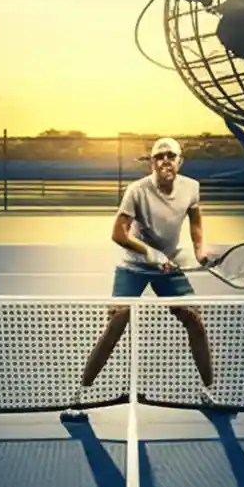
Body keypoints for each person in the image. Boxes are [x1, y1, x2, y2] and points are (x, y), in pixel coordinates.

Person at [64, 137, 217, 416]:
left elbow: (195, 220)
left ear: (180, 161)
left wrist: (200, 250)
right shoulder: (137, 191)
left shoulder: (191, 188)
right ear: (152, 162)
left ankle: (210, 392)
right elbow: (118, 234)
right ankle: (80, 395)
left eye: (171, 155)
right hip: (133, 266)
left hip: (168, 268)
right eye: (159, 156)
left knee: (195, 321)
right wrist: (151, 254)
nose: (165, 161)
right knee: (117, 321)